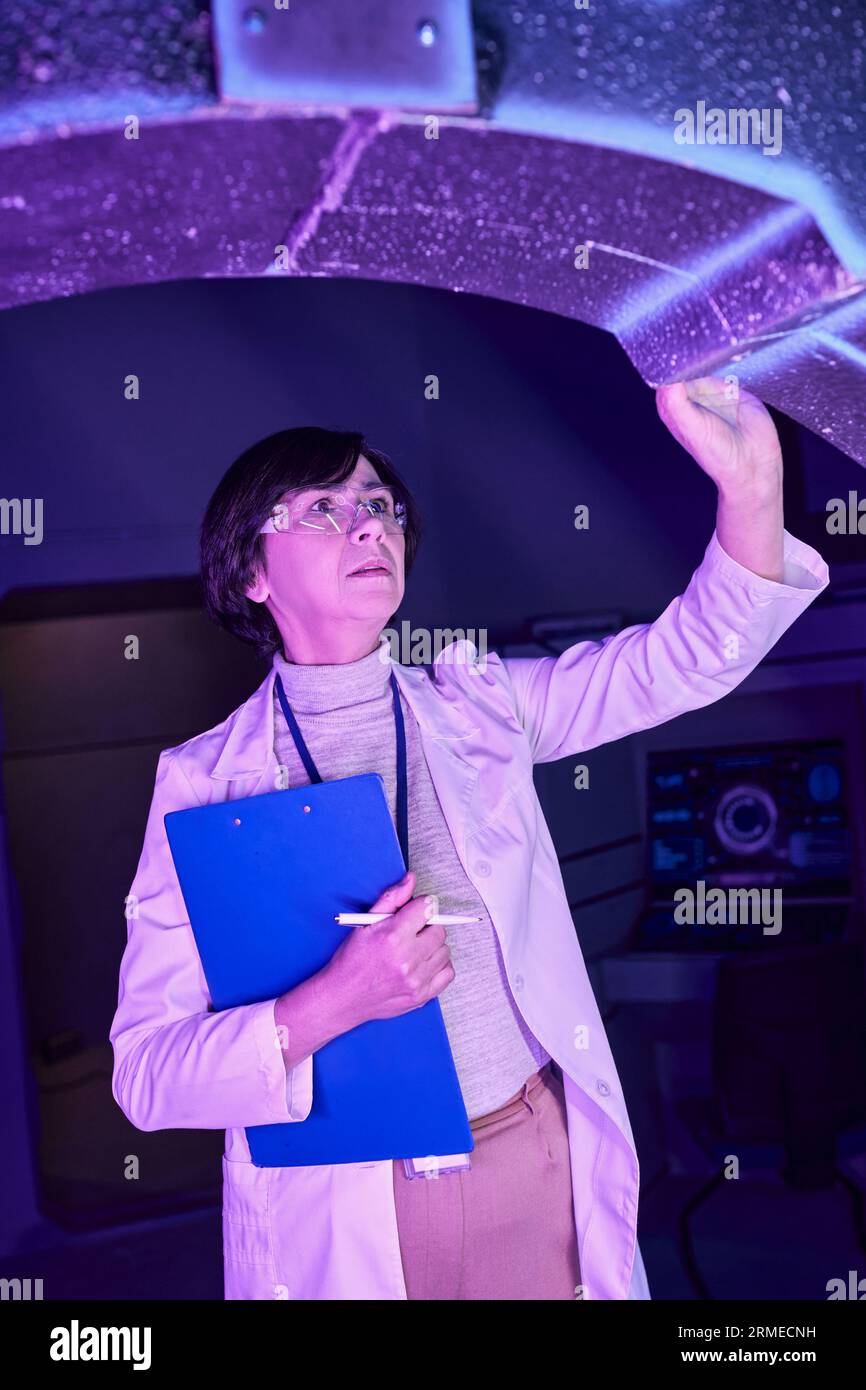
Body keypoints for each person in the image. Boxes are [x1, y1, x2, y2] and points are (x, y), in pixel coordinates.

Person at [110, 376, 829, 1300]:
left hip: (529, 1160)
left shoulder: (479, 704)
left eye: (379, 503)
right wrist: (335, 1002)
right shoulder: (203, 786)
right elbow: (148, 1075)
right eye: (324, 508)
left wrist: (754, 492)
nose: (370, 524)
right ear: (249, 571)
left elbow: (685, 660)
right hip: (351, 1208)